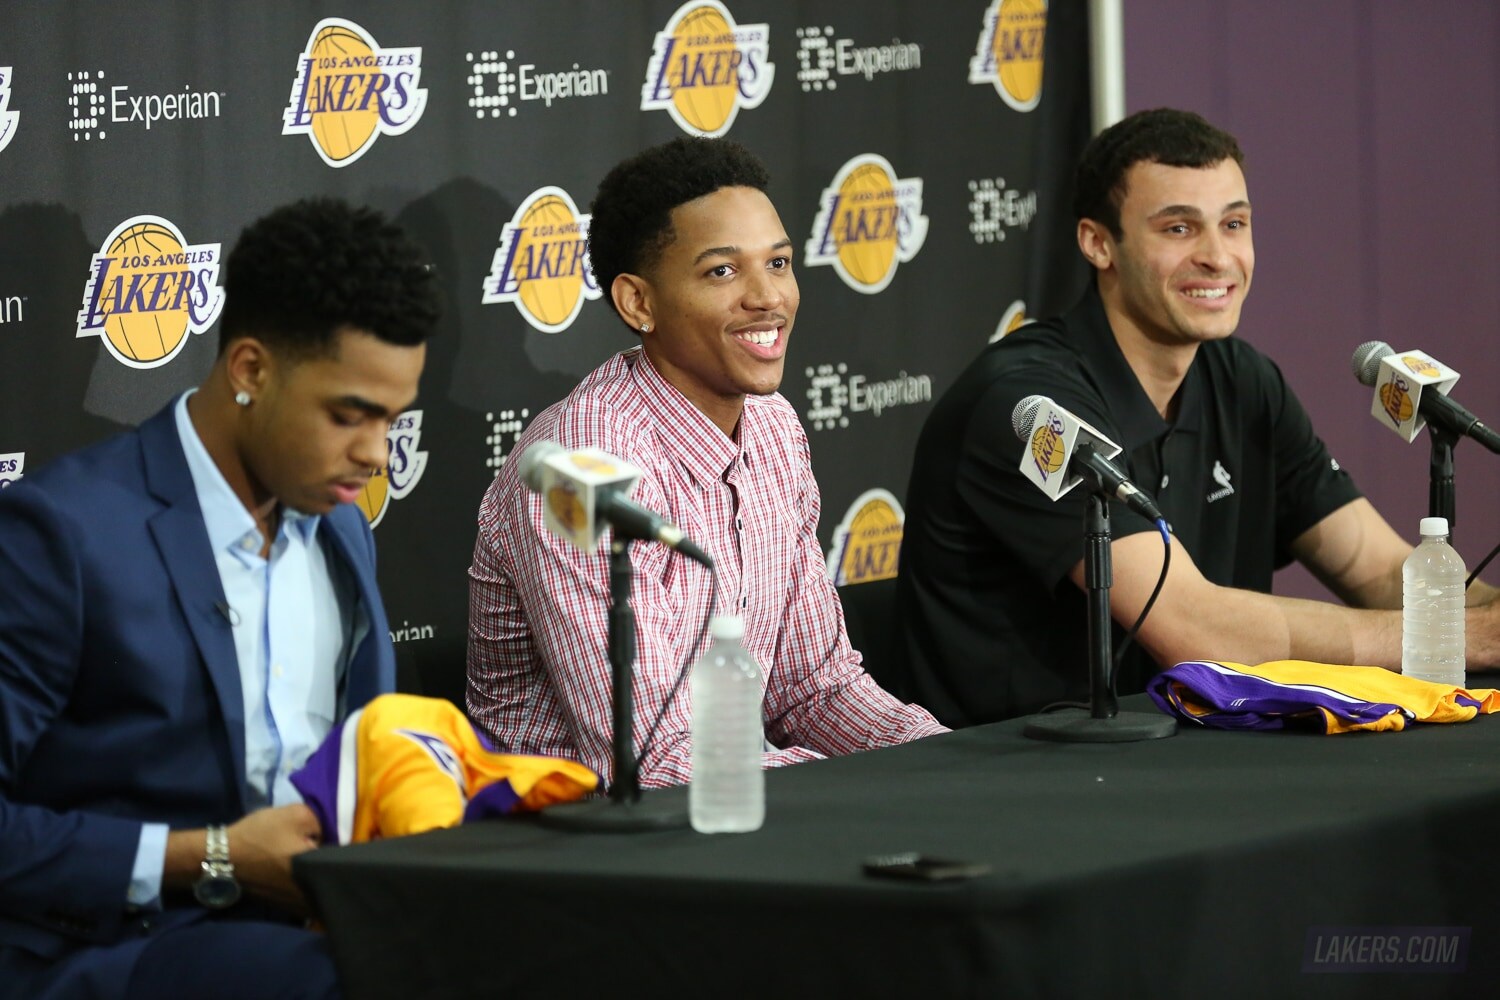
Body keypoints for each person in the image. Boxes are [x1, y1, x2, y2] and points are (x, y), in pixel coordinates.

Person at [895, 107, 1500, 727]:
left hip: (1186, 760)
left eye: (1234, 224)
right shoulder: (1026, 405)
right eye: (1179, 229)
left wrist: (1489, 616)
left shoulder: (1242, 381)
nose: (1217, 257)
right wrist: (1467, 637)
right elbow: (1195, 629)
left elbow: (1371, 567)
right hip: (1014, 778)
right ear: (1097, 243)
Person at [0, 198, 440, 999]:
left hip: (318, 923)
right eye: (349, 415)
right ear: (250, 370)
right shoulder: (62, 534)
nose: (376, 455)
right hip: (116, 947)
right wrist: (213, 857)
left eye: (393, 420)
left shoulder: (341, 530)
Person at [467, 137, 945, 788]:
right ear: (639, 303)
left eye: (778, 263)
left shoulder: (774, 428)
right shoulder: (587, 464)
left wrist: (943, 760)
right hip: (572, 847)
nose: (767, 297)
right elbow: (654, 756)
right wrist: (865, 793)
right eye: (723, 272)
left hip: (733, 812)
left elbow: (812, 688)